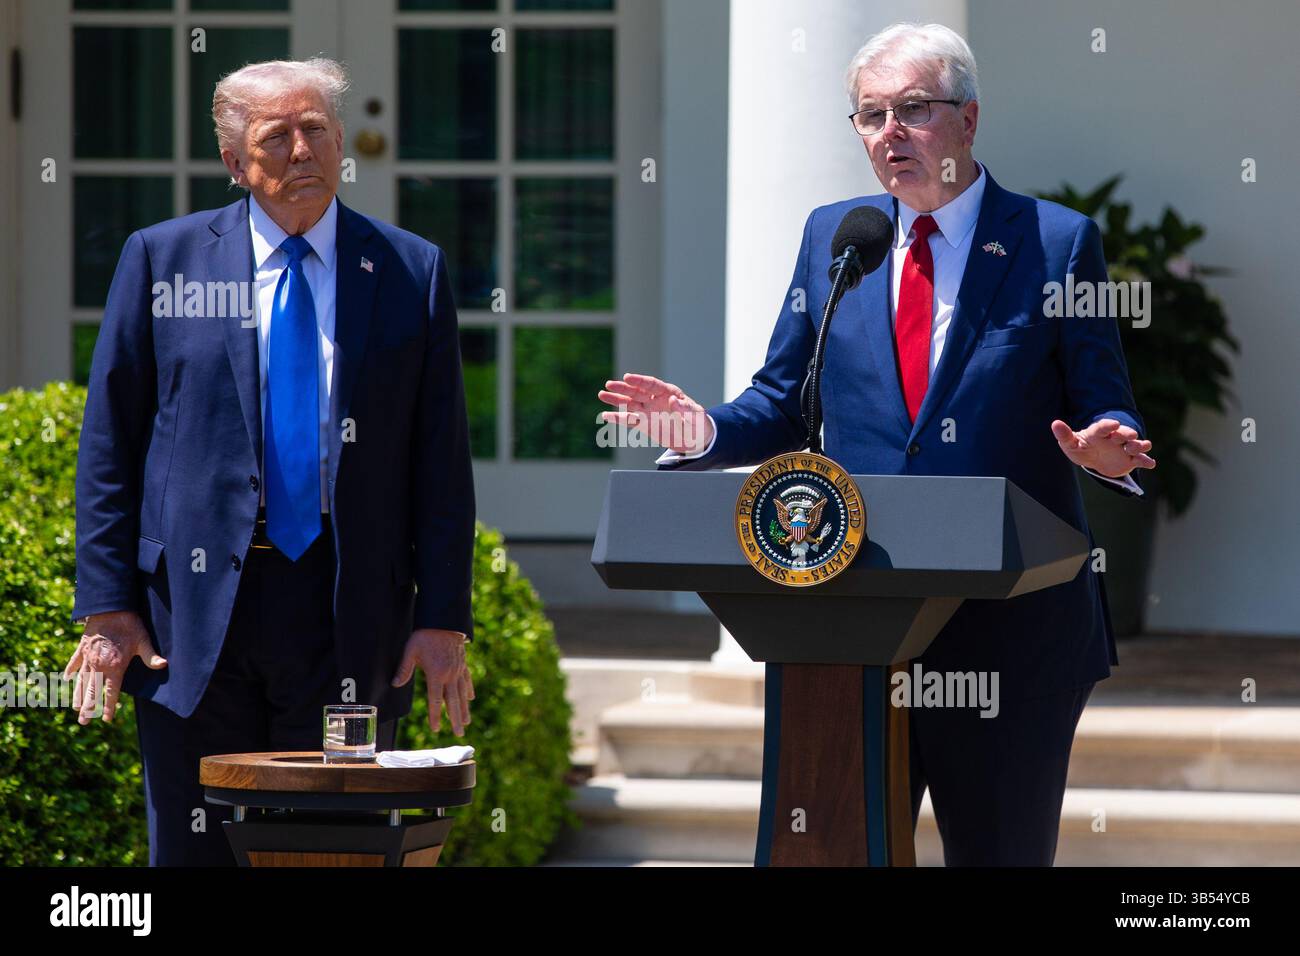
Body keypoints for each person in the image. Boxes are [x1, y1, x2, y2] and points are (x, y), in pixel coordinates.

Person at [597, 22, 1155, 866]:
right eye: (870, 115)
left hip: (1013, 631)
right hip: (855, 618)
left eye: (913, 110)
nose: (890, 132)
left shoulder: (1055, 242)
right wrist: (703, 429)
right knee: (836, 847)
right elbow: (787, 399)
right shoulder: (837, 238)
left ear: (969, 121)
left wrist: (1108, 448)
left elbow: (1105, 402)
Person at [65, 58, 477, 866]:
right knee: (195, 851)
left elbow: (441, 459)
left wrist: (441, 619)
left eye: (316, 129)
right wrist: (108, 605)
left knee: (333, 850)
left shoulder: (408, 271)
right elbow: (109, 439)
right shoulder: (162, 260)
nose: (301, 150)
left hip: (345, 617)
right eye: (277, 135)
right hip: (188, 617)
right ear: (233, 161)